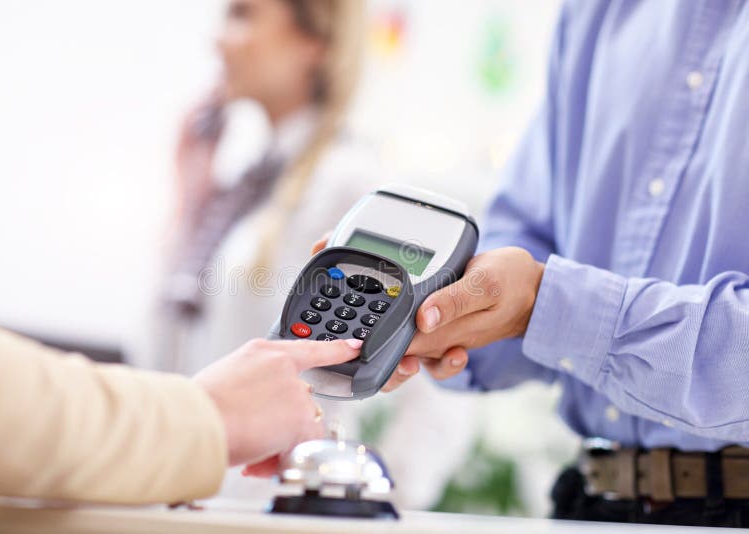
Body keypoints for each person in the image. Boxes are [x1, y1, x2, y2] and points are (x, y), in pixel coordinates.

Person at [320, 0, 749, 528]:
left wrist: (543, 303)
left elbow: (542, 292)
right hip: (593, 502)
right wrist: (449, 307)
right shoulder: (600, 12)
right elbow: (525, 240)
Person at [0, 146, 363, 529]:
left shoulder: (340, 177)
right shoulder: (229, 182)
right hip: (191, 462)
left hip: (270, 469)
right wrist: (202, 415)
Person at [129, 0, 378, 375]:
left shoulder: (348, 185)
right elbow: (162, 348)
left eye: (243, 15)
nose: (218, 40)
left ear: (314, 41)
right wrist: (189, 205)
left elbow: (430, 395)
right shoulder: (246, 182)